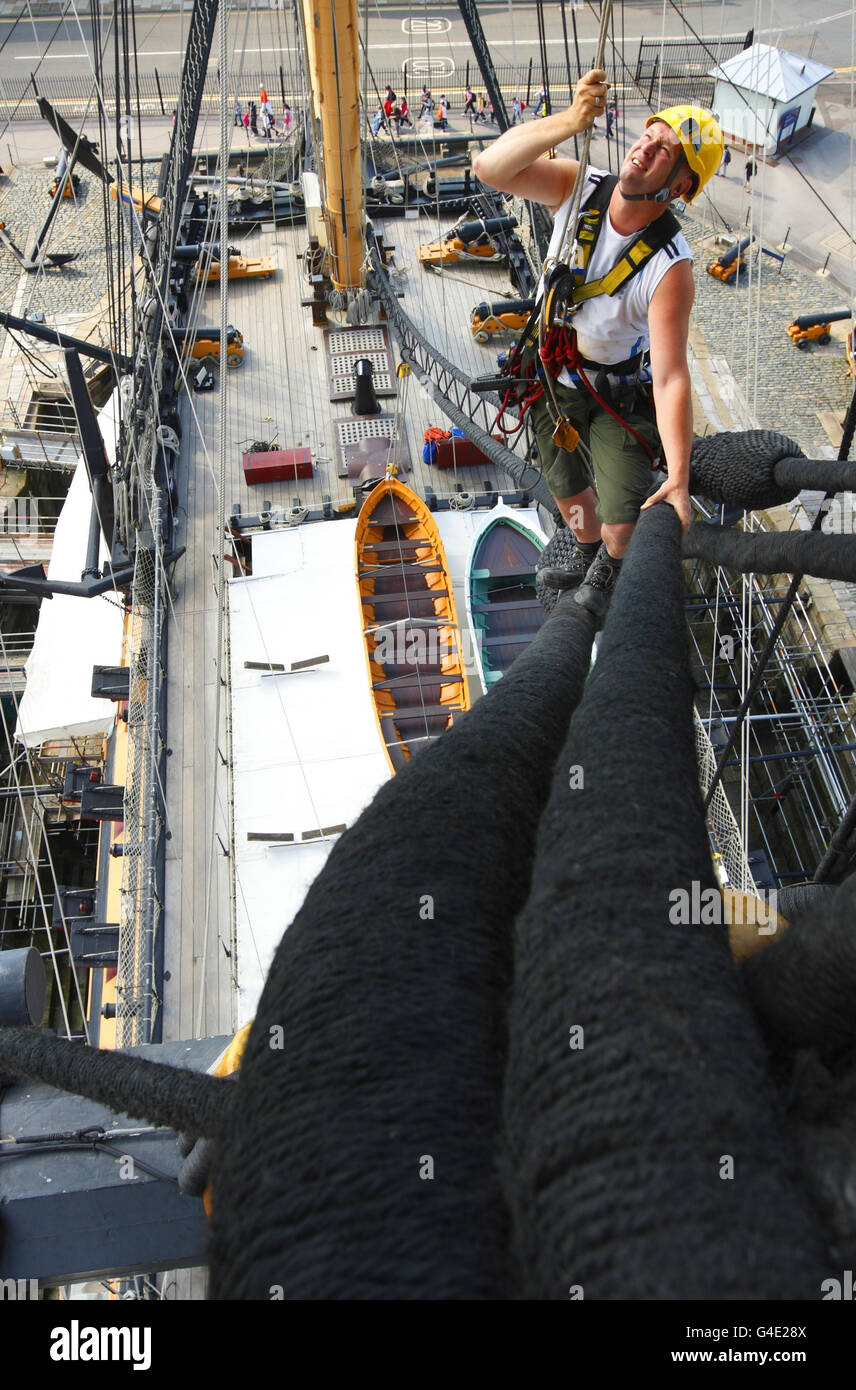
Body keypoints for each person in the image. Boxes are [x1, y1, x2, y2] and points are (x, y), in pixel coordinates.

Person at [472, 69, 723, 622]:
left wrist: (678, 477)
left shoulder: (668, 268)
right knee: (565, 489)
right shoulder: (581, 185)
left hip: (612, 390)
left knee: (622, 520)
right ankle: (587, 550)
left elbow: (672, 375)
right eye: (646, 137)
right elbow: (490, 168)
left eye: (662, 152)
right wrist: (569, 121)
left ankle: (608, 559)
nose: (643, 151)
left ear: (679, 186)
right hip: (550, 374)